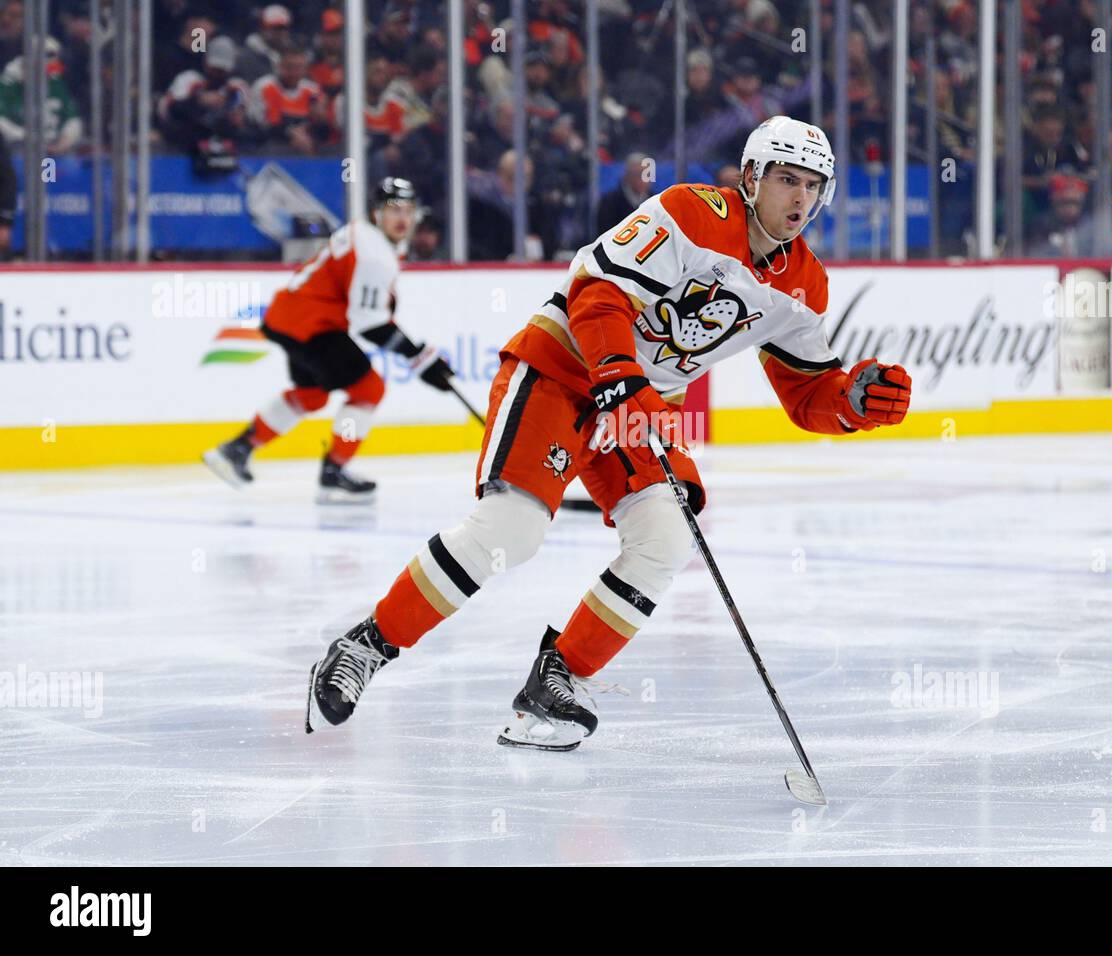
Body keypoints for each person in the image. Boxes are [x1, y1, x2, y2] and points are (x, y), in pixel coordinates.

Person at [303, 117, 913, 748]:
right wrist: (622, 380)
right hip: (562, 368)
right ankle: (366, 645)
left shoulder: (805, 284)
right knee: (512, 530)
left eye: (814, 186)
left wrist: (855, 402)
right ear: (753, 177)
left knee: (666, 538)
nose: (801, 199)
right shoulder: (689, 213)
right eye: (788, 180)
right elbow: (596, 293)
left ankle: (557, 678)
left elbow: (807, 393)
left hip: (639, 402)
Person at [202, 178, 455, 503]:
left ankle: (236, 450)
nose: (402, 218)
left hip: (291, 317)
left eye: (408, 210)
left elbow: (369, 310)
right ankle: (334, 471)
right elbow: (368, 322)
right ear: (376, 213)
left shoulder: (368, 237)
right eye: (393, 210)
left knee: (313, 394)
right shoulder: (374, 252)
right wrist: (417, 356)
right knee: (369, 388)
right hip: (312, 324)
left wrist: (418, 355)